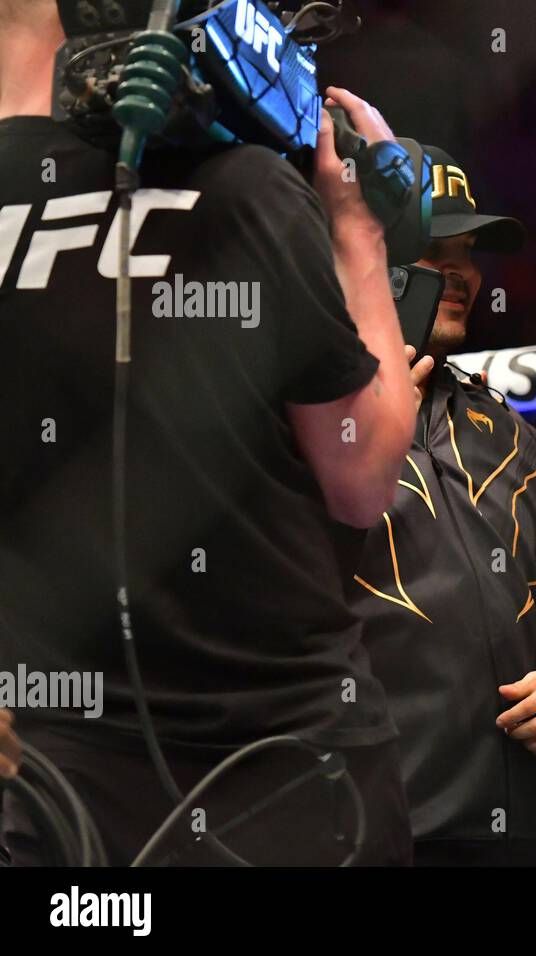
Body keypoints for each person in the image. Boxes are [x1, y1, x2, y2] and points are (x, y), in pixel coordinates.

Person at [0, 2, 415, 864]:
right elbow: (364, 474)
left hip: (60, 772)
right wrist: (358, 230)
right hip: (283, 762)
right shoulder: (246, 188)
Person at [350, 146, 536, 866]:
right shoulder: (307, 428)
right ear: (369, 258)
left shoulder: (512, 439)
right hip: (377, 835)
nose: (462, 273)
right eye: (435, 251)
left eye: (468, 253)